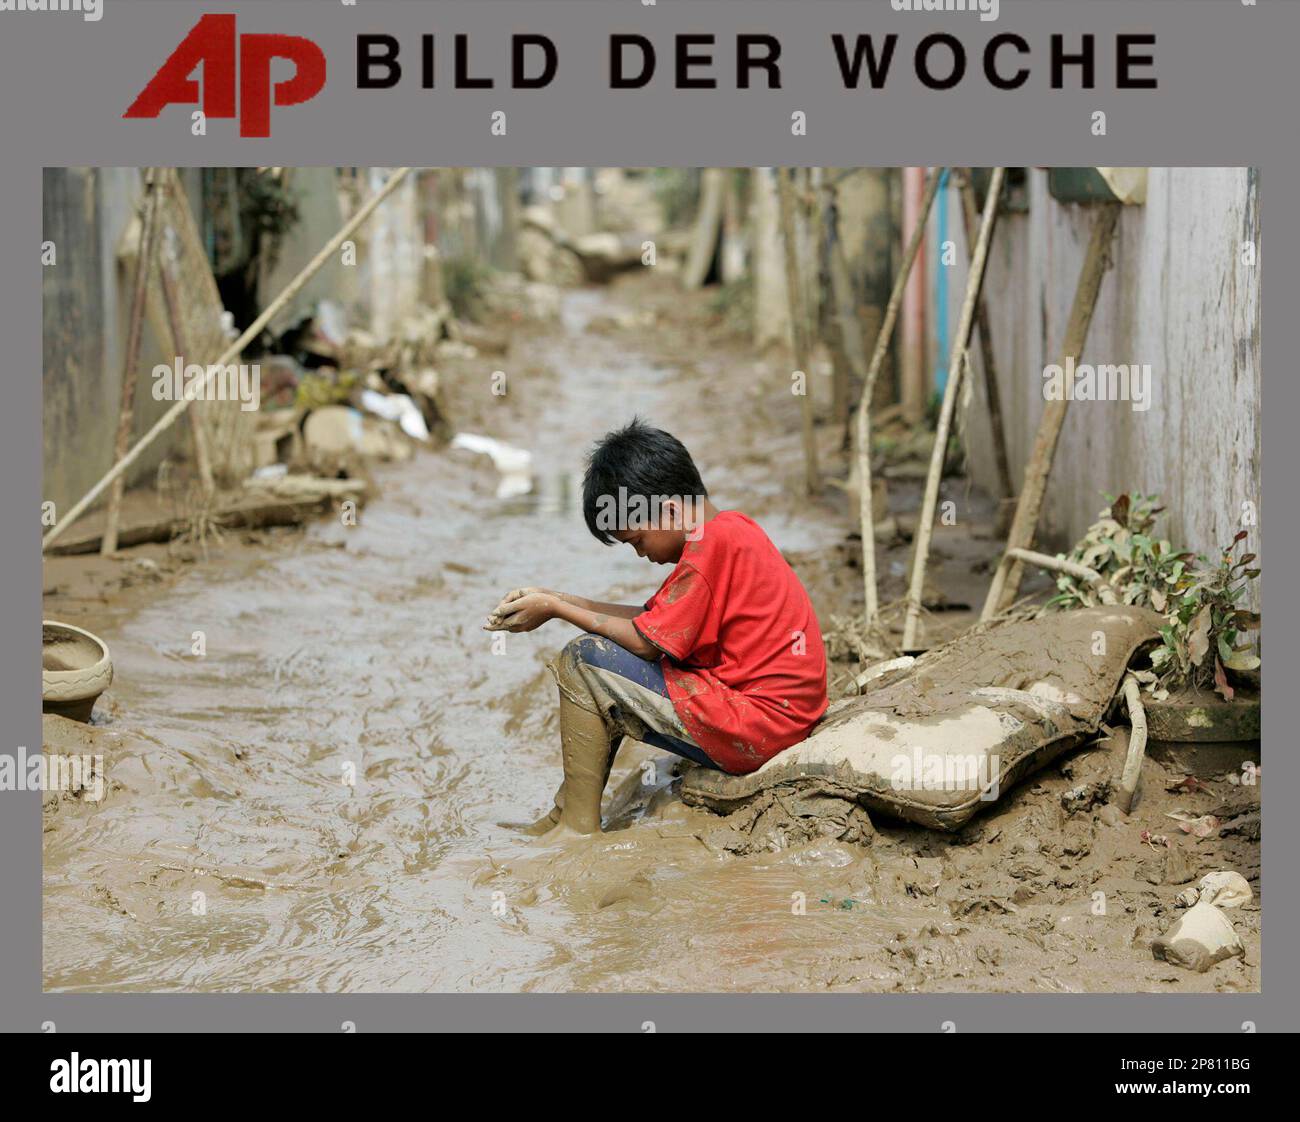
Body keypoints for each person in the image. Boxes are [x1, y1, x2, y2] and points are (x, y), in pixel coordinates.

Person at [486, 418, 828, 841]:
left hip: (761, 726)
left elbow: (646, 644)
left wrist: (556, 608)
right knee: (605, 660)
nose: (642, 554)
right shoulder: (726, 531)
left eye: (638, 540)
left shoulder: (711, 547)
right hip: (778, 715)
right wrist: (561, 599)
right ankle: (565, 814)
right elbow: (651, 622)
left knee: (583, 660)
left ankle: (575, 827)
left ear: (667, 510)